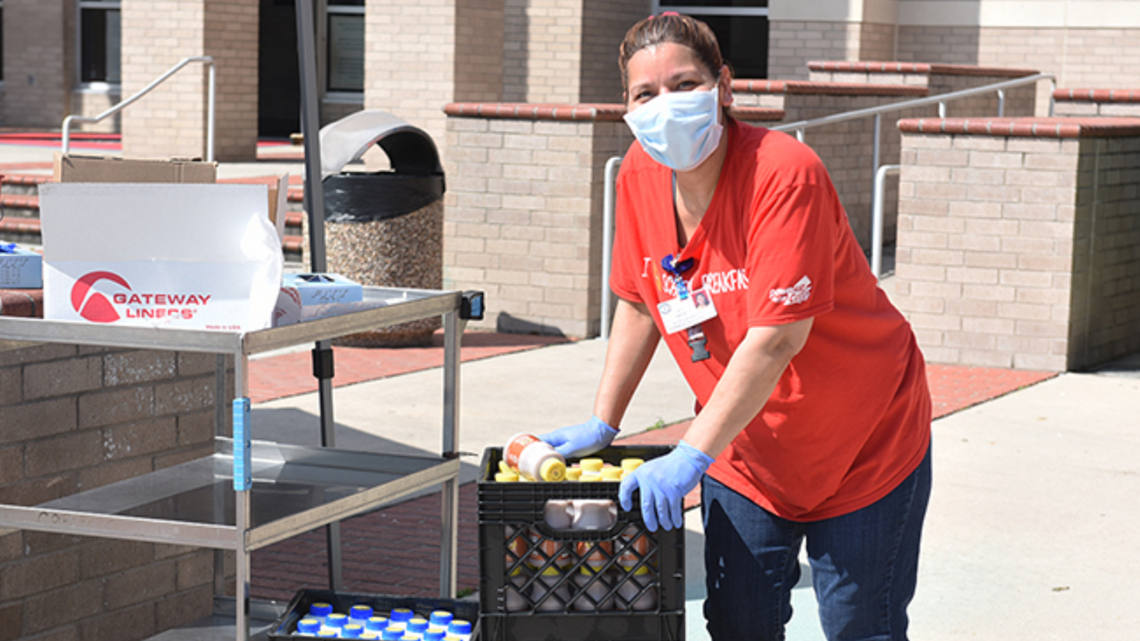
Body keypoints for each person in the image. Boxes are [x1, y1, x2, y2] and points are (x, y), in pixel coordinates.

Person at [539, 12, 933, 641]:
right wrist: (604, 420)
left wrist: (691, 453)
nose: (666, 106)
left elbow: (777, 339)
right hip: (746, 451)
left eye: (685, 84)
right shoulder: (639, 175)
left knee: (862, 629)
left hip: (864, 443)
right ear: (627, 107)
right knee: (738, 626)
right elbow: (640, 300)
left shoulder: (784, 172)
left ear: (723, 86)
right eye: (646, 94)